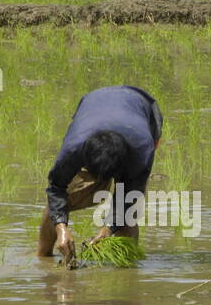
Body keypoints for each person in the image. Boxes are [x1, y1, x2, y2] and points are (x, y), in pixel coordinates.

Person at [38, 85, 163, 264]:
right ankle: (42, 258)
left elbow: (130, 196)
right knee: (57, 204)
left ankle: (126, 269)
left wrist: (108, 229)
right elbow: (56, 187)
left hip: (144, 107)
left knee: (128, 209)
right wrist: (61, 228)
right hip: (93, 103)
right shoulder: (73, 149)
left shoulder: (142, 151)